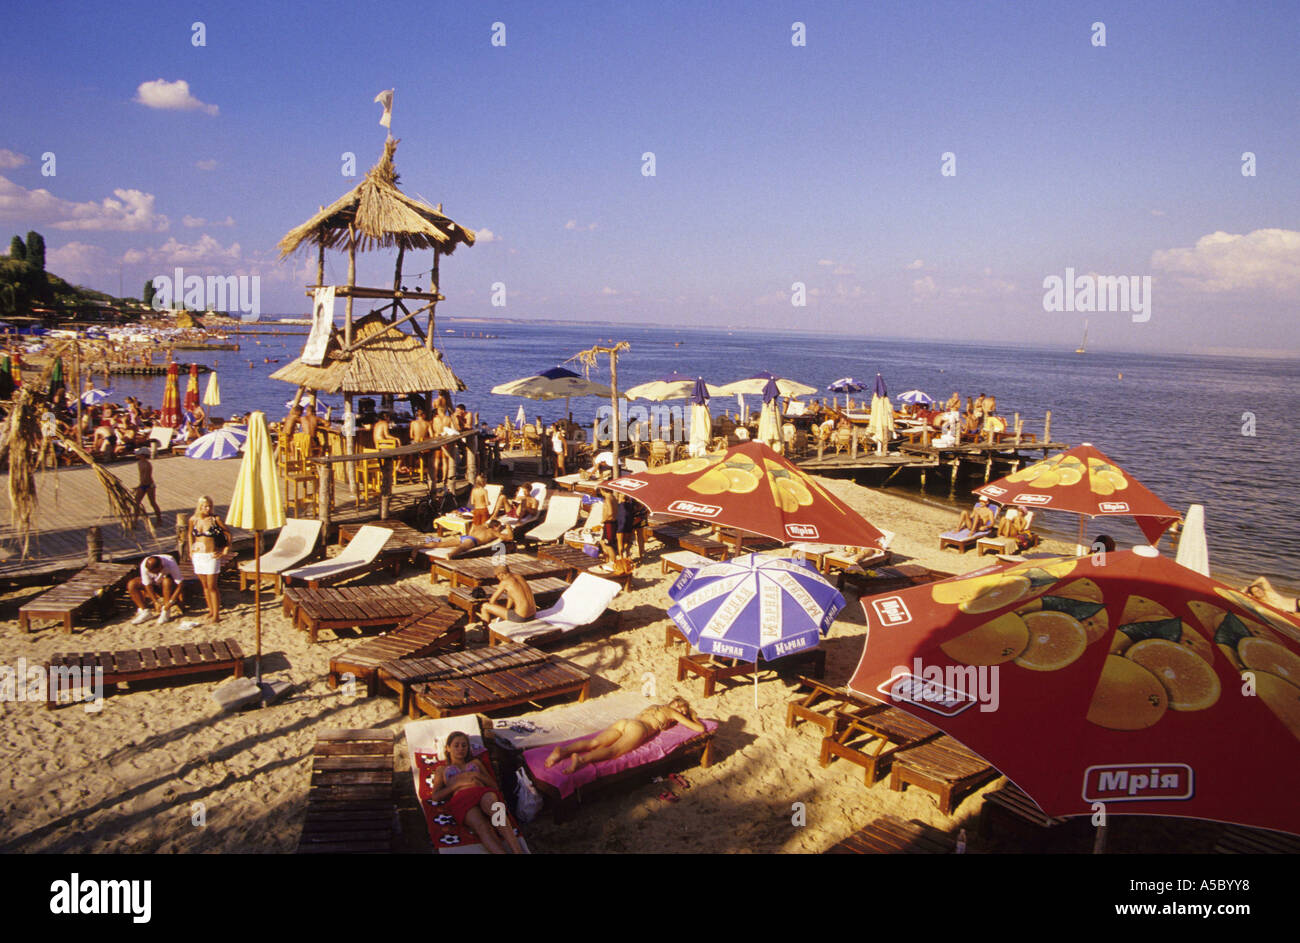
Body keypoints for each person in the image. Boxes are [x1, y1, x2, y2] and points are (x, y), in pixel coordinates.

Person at [544, 698, 706, 774]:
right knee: (614, 751)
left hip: (626, 722)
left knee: (594, 742)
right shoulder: (672, 713)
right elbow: (698, 729)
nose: (681, 712)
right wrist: (693, 716)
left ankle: (562, 751)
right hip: (639, 728)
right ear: (675, 704)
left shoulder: (656, 706)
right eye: (682, 709)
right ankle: (581, 760)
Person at [430, 731, 524, 855]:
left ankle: (518, 852)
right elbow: (435, 796)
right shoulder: (442, 769)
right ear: (448, 748)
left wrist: (476, 775)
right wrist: (456, 785)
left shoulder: (475, 763)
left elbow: (494, 786)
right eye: (456, 745)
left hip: (483, 793)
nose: (460, 749)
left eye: (464, 745)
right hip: (461, 799)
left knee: (499, 816)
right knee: (482, 827)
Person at [188, 495, 230, 623]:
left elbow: (227, 533)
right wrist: (190, 549)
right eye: (205, 506)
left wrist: (226, 549)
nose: (207, 509)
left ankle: (216, 614)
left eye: (210, 506)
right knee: (205, 585)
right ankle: (211, 610)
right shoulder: (193, 520)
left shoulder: (215, 519)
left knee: (212, 586)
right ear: (199, 506)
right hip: (198, 555)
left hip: (211, 555)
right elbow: (190, 534)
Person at [127, 554, 184, 625]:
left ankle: (165, 610)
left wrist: (171, 602)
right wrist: (155, 602)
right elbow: (147, 585)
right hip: (155, 583)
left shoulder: (170, 562)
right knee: (132, 584)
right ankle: (145, 611)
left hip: (167, 583)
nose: (155, 573)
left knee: (167, 581)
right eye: (152, 572)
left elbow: (180, 584)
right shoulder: (144, 565)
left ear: (161, 566)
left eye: (156, 572)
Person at [423, 521, 514, 559]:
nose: (500, 529)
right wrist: (509, 528)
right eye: (500, 527)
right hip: (473, 540)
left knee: (441, 544)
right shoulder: (493, 532)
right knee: (461, 548)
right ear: (495, 526)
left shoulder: (481, 527)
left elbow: (473, 526)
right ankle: (450, 555)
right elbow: (510, 538)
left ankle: (420, 546)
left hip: (465, 537)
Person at [132, 448, 163, 527]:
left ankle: (159, 520)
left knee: (152, 502)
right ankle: (135, 521)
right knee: (136, 502)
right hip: (142, 485)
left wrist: (139, 486)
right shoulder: (139, 463)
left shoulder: (147, 464)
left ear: (142, 455)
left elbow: (146, 477)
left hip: (149, 486)